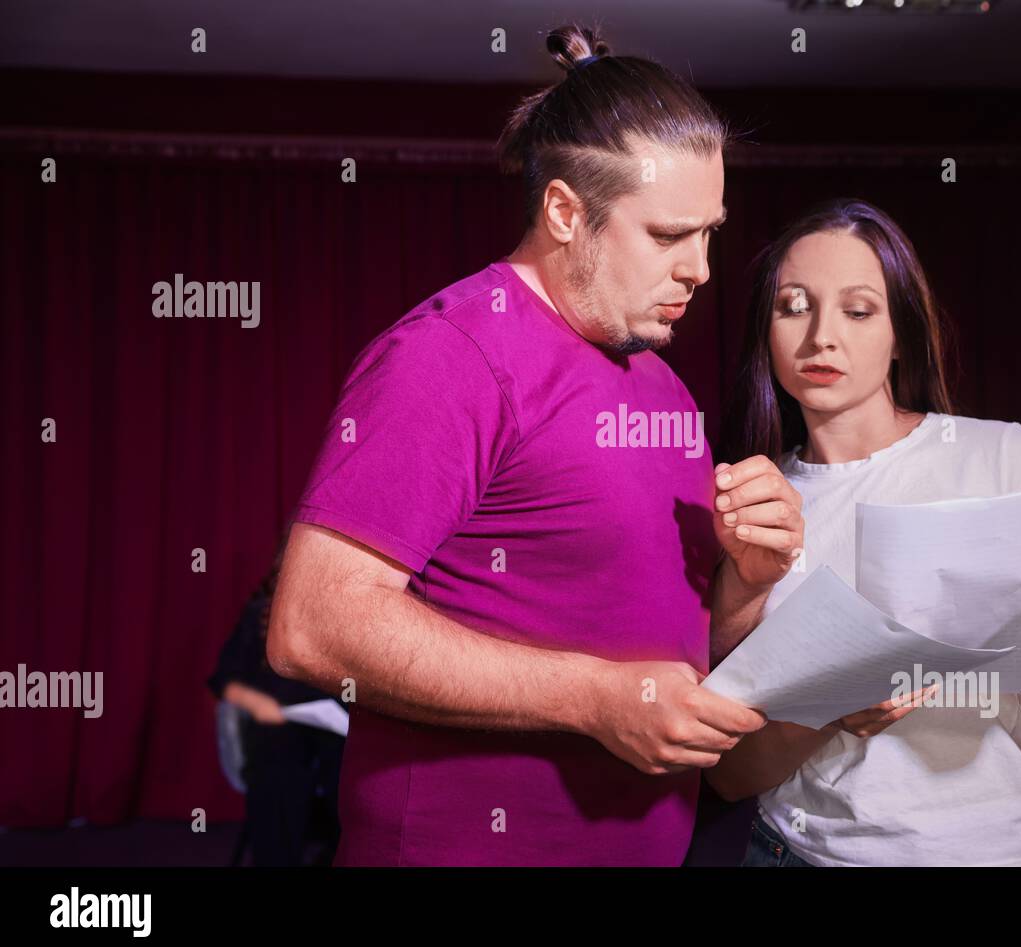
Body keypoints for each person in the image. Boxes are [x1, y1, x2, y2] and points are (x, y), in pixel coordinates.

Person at [266, 24, 803, 865]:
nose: (701, 268)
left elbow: (684, 648)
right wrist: (592, 697)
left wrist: (749, 575)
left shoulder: (661, 385)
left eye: (711, 231)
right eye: (668, 235)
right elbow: (312, 625)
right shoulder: (452, 355)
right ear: (563, 210)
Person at [704, 198, 1021, 866]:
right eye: (794, 305)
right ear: (766, 328)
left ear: (900, 331)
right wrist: (830, 710)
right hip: (797, 852)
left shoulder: (1001, 458)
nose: (821, 336)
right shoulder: (754, 508)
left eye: (857, 309)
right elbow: (729, 774)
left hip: (991, 848)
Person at [207, 536, 345, 865]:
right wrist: (259, 706)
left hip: (336, 724)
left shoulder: (343, 621)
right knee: (277, 755)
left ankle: (341, 853)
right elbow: (225, 681)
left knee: (345, 758)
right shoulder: (260, 614)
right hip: (274, 720)